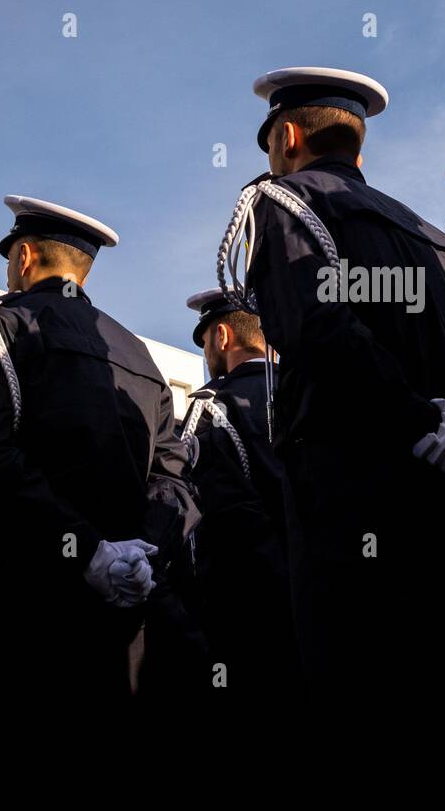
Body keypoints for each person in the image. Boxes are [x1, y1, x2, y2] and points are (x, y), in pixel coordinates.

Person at [216, 67, 445, 723]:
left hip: (346, 500)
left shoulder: (287, 204)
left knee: (354, 694)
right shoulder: (435, 241)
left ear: (288, 136)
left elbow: (316, 327)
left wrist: (418, 418)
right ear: (358, 152)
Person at [0, 195, 196, 722]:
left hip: (25, 605)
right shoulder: (137, 354)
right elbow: (173, 481)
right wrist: (140, 554)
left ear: (24, 258)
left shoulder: (1, 328)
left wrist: (87, 552)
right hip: (122, 614)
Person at [178, 288, 297, 713]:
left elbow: (227, 526)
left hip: (247, 623)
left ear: (223, 337)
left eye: (206, 340)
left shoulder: (213, 410)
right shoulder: (314, 394)